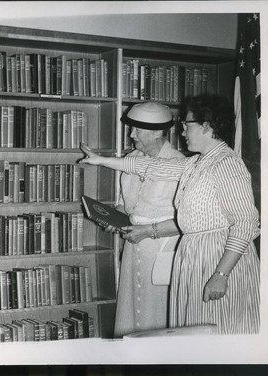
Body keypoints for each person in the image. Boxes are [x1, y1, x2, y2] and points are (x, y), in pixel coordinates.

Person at [80, 95, 260, 335]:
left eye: (187, 125)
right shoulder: (196, 162)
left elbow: (246, 223)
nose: (183, 131)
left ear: (207, 126)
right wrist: (101, 160)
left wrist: (221, 274)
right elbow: (150, 167)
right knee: (193, 329)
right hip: (194, 253)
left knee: (217, 329)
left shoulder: (227, 163)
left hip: (217, 254)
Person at [104, 102, 184, 337]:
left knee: (159, 316)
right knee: (131, 312)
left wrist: (148, 231)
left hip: (164, 249)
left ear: (158, 132)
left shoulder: (180, 165)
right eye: (131, 129)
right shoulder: (130, 160)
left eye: (137, 130)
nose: (131, 135)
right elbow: (124, 203)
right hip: (132, 247)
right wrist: (114, 218)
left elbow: (187, 220)